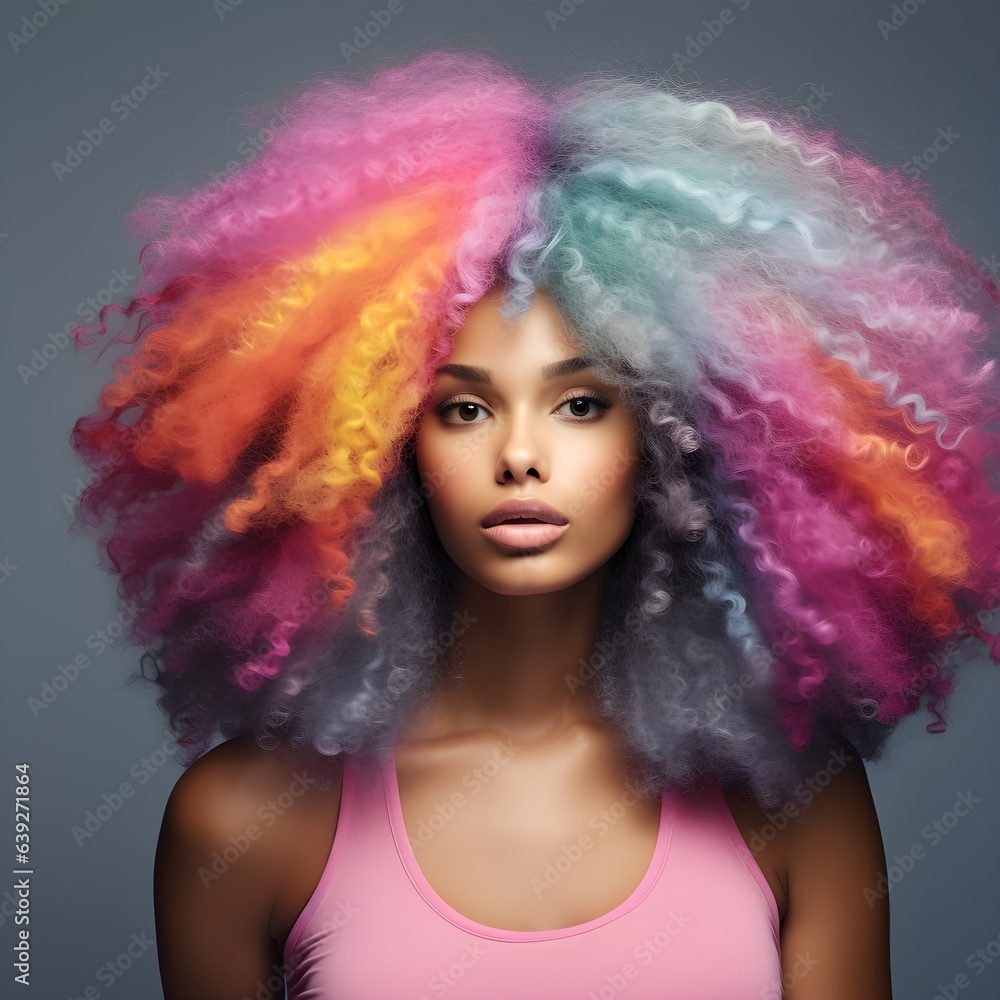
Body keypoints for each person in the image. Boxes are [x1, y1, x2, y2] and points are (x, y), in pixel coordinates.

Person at [68, 49, 1000, 999]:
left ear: (680, 441)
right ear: (382, 449)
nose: (520, 455)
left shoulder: (795, 806)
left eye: (582, 405)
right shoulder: (247, 823)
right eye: (465, 409)